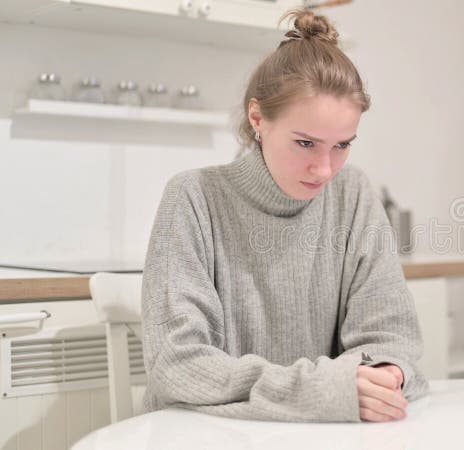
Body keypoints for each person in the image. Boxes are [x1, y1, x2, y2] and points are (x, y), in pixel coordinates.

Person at [140, 9, 428, 423]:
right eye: (306, 143)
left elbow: (393, 337)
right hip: (206, 436)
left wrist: (385, 375)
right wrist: (324, 390)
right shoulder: (194, 196)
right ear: (258, 119)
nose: (326, 169)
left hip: (321, 436)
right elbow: (177, 363)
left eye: (342, 145)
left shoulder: (354, 194)